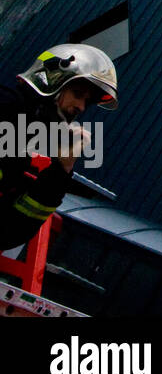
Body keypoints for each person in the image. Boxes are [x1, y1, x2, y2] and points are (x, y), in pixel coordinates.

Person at [0, 44, 118, 250]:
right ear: (51, 80)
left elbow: (9, 233)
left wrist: (61, 170)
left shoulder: (22, 147)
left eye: (86, 102)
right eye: (78, 94)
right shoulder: (5, 107)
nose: (81, 107)